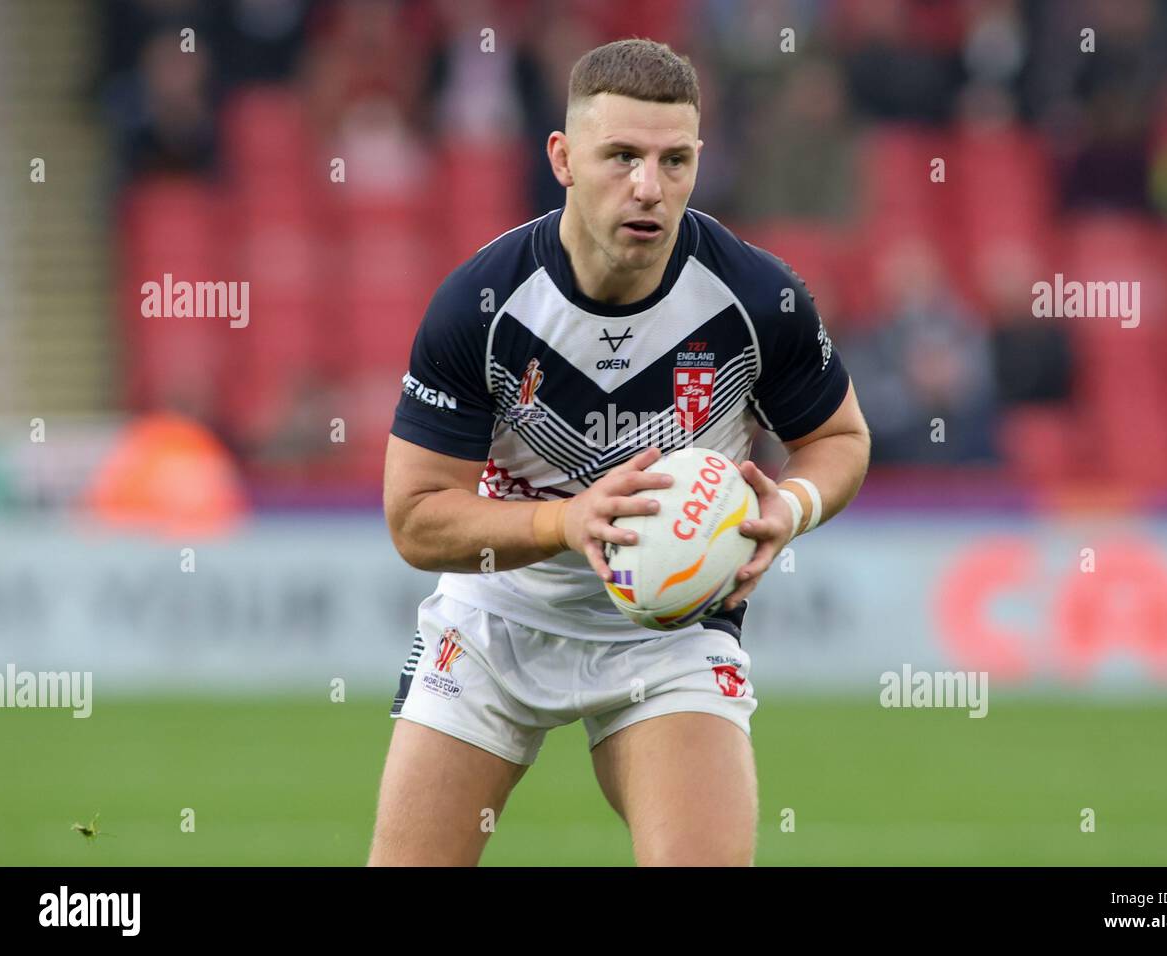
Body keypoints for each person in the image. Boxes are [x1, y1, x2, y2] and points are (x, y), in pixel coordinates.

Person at [368, 38, 871, 867]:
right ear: (563, 158)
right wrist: (569, 523)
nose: (650, 188)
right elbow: (416, 519)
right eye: (622, 157)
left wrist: (791, 505)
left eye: (676, 160)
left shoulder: (758, 298)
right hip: (499, 620)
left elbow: (838, 438)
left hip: (671, 634)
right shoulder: (480, 304)